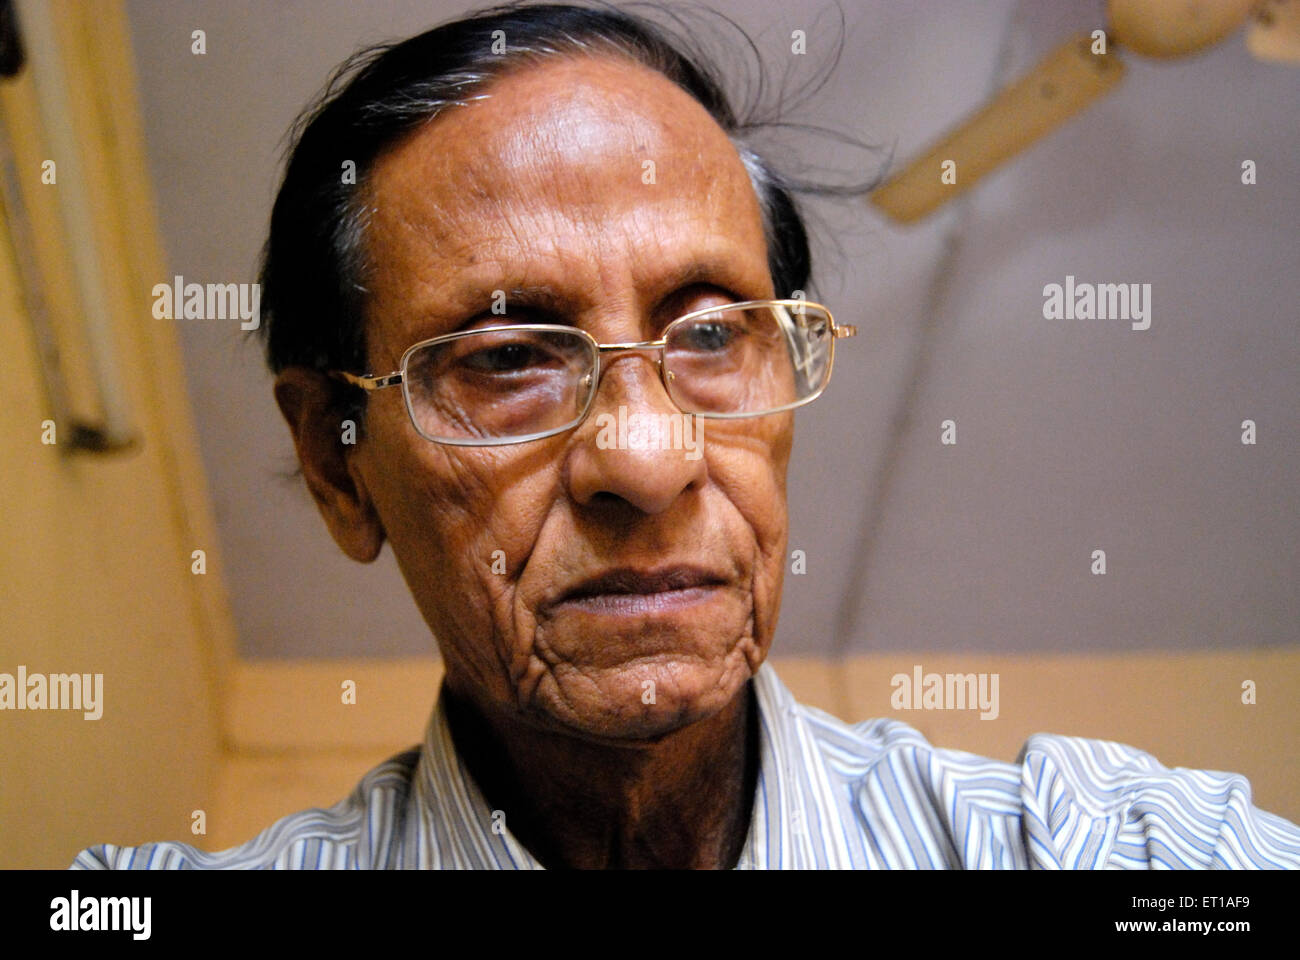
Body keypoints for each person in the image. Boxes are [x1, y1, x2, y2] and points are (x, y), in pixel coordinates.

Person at [73, 1, 1299, 870]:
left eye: (712, 338)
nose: (650, 459)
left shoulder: (1097, 852)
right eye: (508, 360)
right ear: (341, 468)